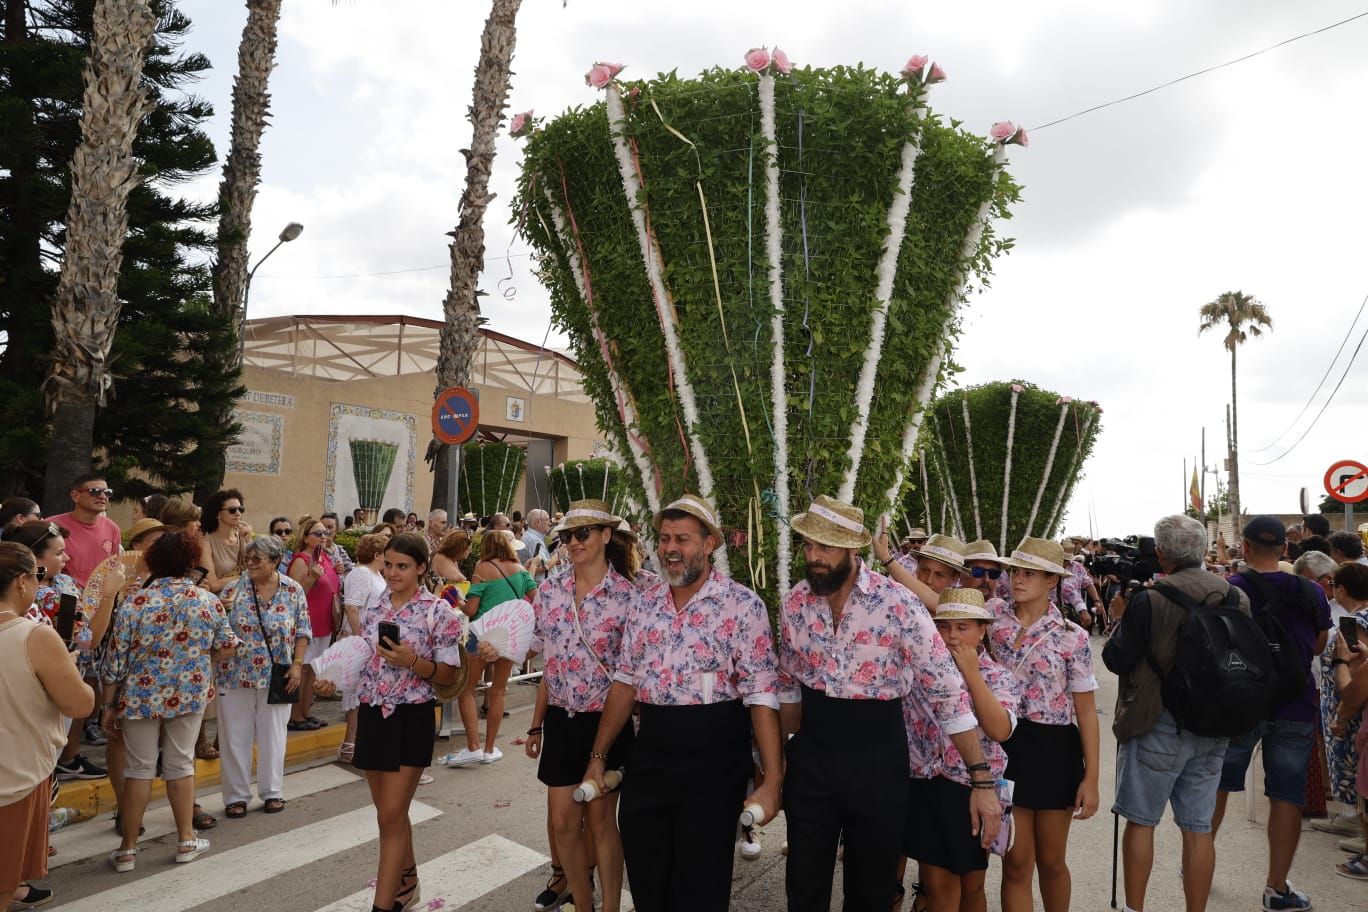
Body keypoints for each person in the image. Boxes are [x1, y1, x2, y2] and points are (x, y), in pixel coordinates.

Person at [777, 496, 997, 912]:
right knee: (803, 883)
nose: (814, 556)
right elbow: (788, 685)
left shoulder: (898, 604)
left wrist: (981, 779)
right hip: (813, 756)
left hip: (878, 759)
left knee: (871, 887)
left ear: (852, 549)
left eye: (824, 547)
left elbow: (947, 692)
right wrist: (777, 763)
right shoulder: (793, 604)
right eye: (808, 545)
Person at [582, 494, 782, 912]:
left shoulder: (743, 607)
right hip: (651, 754)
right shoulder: (645, 602)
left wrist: (772, 780)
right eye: (664, 538)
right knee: (647, 870)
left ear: (709, 545)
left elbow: (762, 697)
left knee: (700, 883)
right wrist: (598, 756)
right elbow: (624, 683)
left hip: (715, 761)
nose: (670, 548)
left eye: (683, 539)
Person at [1103, 515, 1249, 912]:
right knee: (1198, 828)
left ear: (1161, 553)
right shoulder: (1235, 597)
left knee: (1141, 820)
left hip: (1157, 720)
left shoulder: (1149, 599)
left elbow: (1116, 660)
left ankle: (1135, 908)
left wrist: (1120, 616)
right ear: (1202, 551)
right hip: (1214, 722)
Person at [315, 533, 463, 912]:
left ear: (421, 569)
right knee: (389, 816)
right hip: (372, 713)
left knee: (390, 815)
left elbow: (448, 676)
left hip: (412, 716)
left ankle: (383, 905)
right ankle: (408, 882)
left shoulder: (438, 612)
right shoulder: (375, 607)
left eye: (403, 566)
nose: (394, 572)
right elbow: (365, 659)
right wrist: (336, 676)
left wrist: (412, 661)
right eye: (389, 565)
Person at [1211, 515, 1332, 912]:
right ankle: (1276, 888)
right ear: (1285, 549)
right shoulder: (1311, 591)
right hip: (1295, 700)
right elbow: (1317, 645)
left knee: (1218, 784)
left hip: (1241, 701)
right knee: (1286, 794)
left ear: (1243, 547)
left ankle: (1198, 861)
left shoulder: (1230, 589)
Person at [99, 528, 239, 871]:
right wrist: (202, 661)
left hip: (139, 697)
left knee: (138, 769)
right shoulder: (207, 601)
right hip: (188, 695)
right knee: (180, 766)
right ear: (191, 561)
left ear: (154, 561)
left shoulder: (135, 603)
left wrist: (107, 705)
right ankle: (186, 840)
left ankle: (127, 850)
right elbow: (229, 646)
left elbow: (114, 663)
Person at [522, 500, 638, 912]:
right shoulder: (551, 589)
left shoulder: (629, 597)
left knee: (602, 822)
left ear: (607, 535)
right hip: (561, 718)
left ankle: (610, 907)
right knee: (563, 823)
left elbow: (632, 675)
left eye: (583, 533)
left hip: (607, 722)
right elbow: (541, 655)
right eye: (567, 536)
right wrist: (536, 725)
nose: (573, 543)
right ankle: (584, 905)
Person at [993, 537, 1101, 912]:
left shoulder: (1073, 636)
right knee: (1016, 861)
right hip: (1007, 744)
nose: (1018, 580)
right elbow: (938, 604)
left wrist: (1092, 779)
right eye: (1015, 571)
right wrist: (890, 561)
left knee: (1052, 861)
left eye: (1029, 573)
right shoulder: (993, 619)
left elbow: (1086, 711)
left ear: (1052, 581)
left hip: (1056, 749)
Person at [905, 587, 1019, 912]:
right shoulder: (920, 672)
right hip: (925, 782)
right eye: (943, 626)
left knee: (971, 884)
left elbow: (999, 729)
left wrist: (970, 672)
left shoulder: (998, 677)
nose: (951, 636)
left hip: (971, 789)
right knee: (937, 885)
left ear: (983, 630)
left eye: (962, 627)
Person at [1, 541, 95, 910]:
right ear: (22, 581)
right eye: (38, 577)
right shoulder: (35, 635)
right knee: (5, 877)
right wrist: (67, 667)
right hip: (16, 774)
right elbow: (79, 702)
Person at [3, 521, 109, 780]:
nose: (67, 557)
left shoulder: (62, 583)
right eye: (59, 553)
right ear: (32, 563)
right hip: (48, 689)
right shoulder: (42, 601)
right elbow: (89, 640)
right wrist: (109, 595)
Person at [215, 535, 311, 817]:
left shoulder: (292, 590)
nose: (251, 563)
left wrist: (297, 664)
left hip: (277, 675)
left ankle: (272, 792)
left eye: (258, 558)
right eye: (249, 558)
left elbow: (303, 631)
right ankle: (235, 796)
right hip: (235, 674)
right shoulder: (233, 590)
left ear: (276, 561)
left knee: (273, 736)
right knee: (235, 736)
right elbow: (219, 632)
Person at [447, 528, 536, 766]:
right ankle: (489, 749)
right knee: (497, 692)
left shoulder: (482, 568)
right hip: (509, 637)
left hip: (481, 635)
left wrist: (456, 599)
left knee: (466, 690)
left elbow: (472, 610)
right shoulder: (521, 570)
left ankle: (473, 746)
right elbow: (538, 599)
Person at [1316, 563, 1368, 848]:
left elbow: (1358, 671)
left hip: (1351, 707)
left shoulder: (1354, 623)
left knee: (1355, 769)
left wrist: (1342, 715)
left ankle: (1359, 826)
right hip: (1352, 707)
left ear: (1342, 589)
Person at [340, 533, 391, 763]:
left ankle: (357, 743)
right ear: (377, 554)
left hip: (371, 639)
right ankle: (351, 745)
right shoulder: (361, 573)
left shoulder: (376, 574)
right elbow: (352, 607)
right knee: (357, 694)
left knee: (365, 693)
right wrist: (362, 638)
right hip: (360, 640)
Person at [287, 516, 340, 731]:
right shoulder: (301, 559)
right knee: (304, 670)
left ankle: (306, 713)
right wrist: (311, 577)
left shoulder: (324, 558)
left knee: (313, 671)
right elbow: (295, 593)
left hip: (324, 623)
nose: (323, 537)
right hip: (307, 623)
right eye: (318, 534)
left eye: (326, 533)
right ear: (306, 537)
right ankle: (295, 715)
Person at [47, 473, 121, 589]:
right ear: (75, 496)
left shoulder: (112, 528)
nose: (102, 496)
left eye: (107, 492)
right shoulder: (51, 525)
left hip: (101, 600)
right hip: (61, 597)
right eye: (95, 491)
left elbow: (115, 567)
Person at [198, 488, 249, 594]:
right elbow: (213, 585)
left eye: (241, 509)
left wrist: (248, 538)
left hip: (246, 599)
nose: (238, 513)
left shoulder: (244, 536)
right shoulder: (205, 543)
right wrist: (243, 575)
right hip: (220, 601)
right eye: (232, 510)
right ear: (217, 514)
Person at [521, 509, 552, 580]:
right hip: (538, 585)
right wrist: (559, 554)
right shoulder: (533, 540)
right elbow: (544, 565)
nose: (550, 523)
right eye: (547, 520)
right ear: (538, 522)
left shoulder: (533, 536)